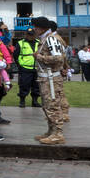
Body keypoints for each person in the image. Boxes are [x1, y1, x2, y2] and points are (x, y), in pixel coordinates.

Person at [30, 17, 68, 145]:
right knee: (47, 106)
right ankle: (51, 131)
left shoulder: (51, 39)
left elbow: (58, 59)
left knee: (53, 105)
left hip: (51, 78)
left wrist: (40, 57)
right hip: (45, 78)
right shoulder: (45, 39)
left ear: (42, 28)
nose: (34, 29)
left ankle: (58, 133)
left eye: (35, 27)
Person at [15, 28, 39, 107]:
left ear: (34, 35)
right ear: (26, 34)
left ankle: (35, 101)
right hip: (25, 68)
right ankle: (22, 101)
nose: (30, 36)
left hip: (37, 68)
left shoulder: (39, 43)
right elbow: (15, 56)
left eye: (32, 34)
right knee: (24, 85)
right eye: (28, 34)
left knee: (36, 86)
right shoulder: (20, 43)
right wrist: (20, 66)